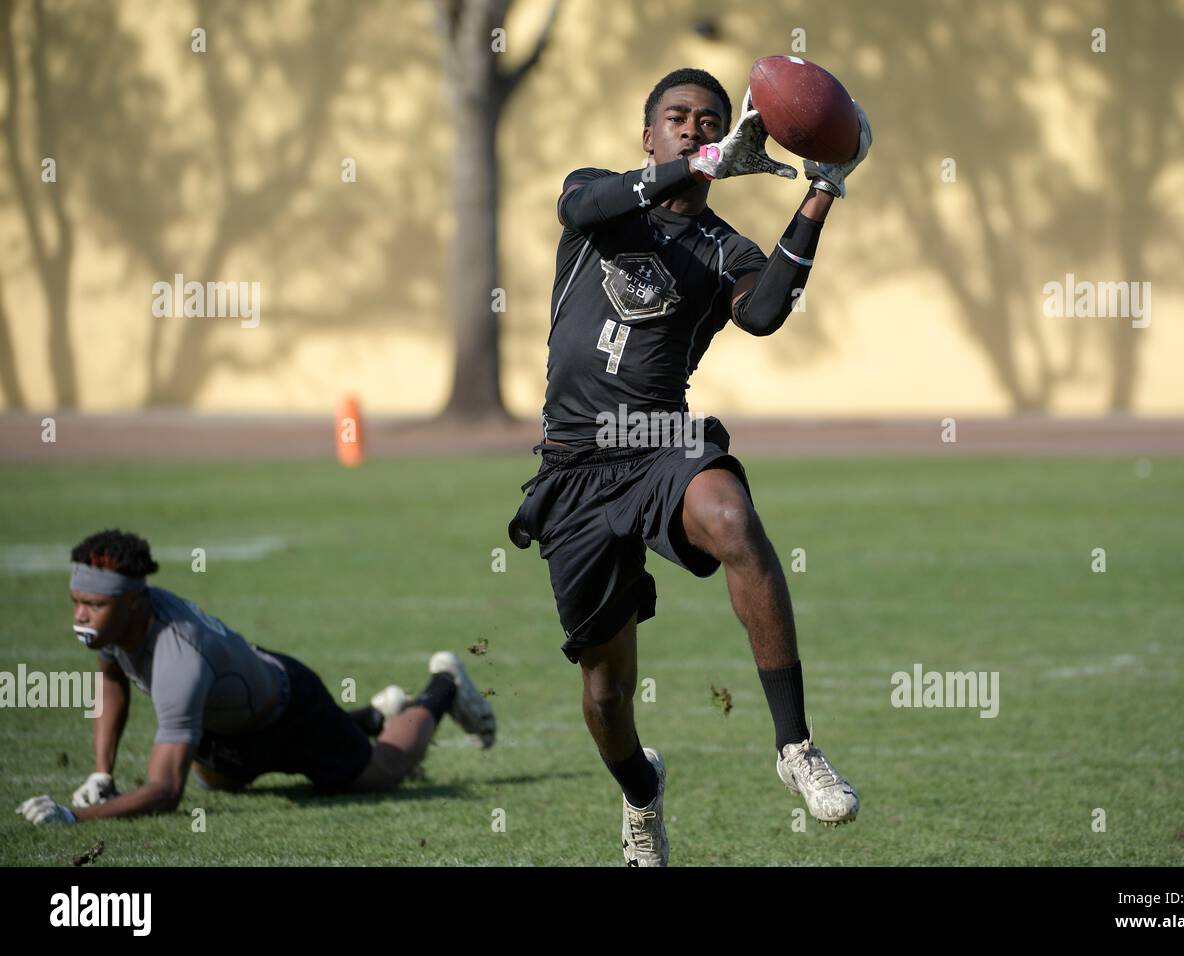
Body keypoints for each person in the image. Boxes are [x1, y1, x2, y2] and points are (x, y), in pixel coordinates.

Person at [507, 67, 872, 865]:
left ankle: (796, 748)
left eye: (711, 121)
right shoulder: (595, 197)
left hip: (658, 441)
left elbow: (767, 311)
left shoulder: (722, 247)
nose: (696, 129)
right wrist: (704, 167)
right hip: (571, 467)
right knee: (606, 695)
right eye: (678, 118)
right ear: (649, 135)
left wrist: (822, 192)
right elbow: (582, 204)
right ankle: (641, 797)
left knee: (733, 521)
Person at [15, 529, 494, 825]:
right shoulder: (119, 621)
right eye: (77, 602)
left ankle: (442, 685)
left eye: (94, 605)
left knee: (381, 774)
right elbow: (113, 676)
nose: (81, 616)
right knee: (217, 780)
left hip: (291, 713)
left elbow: (164, 792)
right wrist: (102, 774)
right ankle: (371, 714)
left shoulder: (179, 654)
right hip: (232, 720)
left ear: (133, 603)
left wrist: (74, 815)